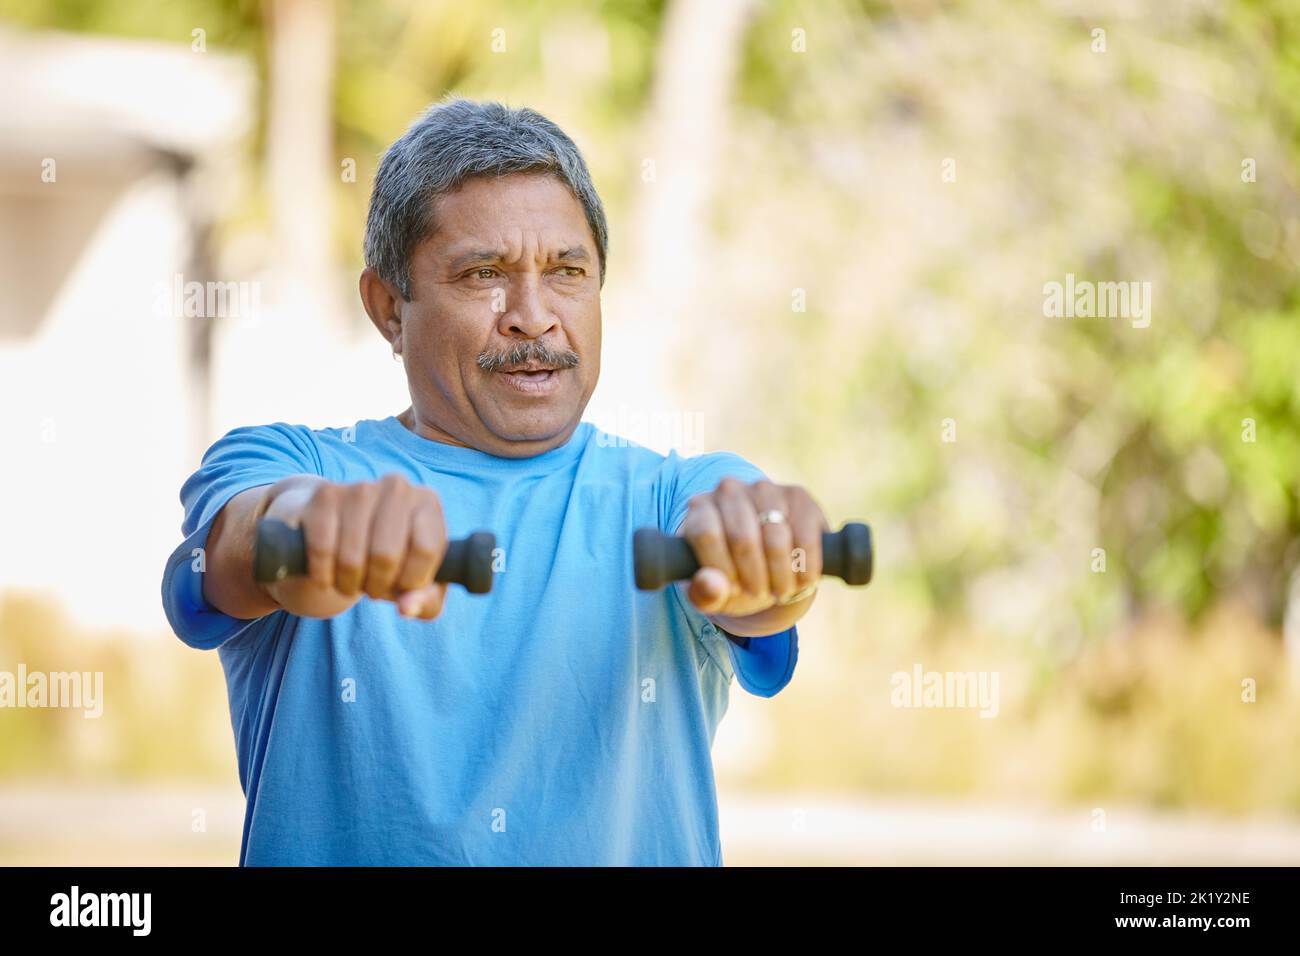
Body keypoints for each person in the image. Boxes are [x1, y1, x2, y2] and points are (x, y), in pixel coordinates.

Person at [161, 98, 829, 865]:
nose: (534, 318)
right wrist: (314, 535)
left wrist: (764, 551)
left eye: (568, 272)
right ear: (387, 308)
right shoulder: (288, 466)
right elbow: (233, 556)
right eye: (484, 274)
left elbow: (760, 561)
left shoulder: (673, 496)